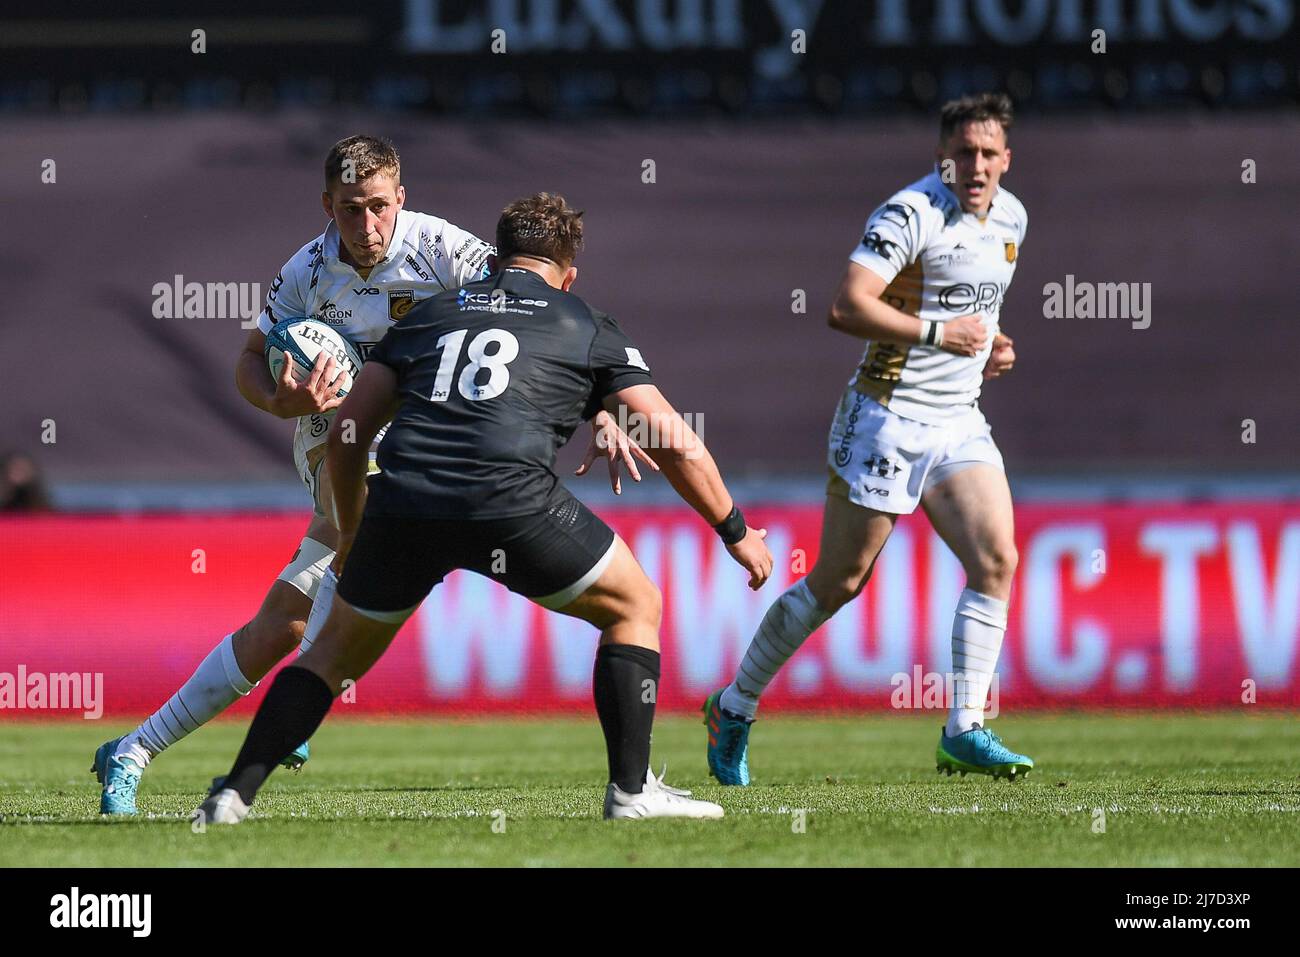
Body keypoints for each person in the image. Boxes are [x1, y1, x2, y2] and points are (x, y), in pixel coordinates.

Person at [93, 138, 648, 815]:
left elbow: (531, 319)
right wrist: (280, 400)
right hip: (335, 435)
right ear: (327, 205)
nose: (366, 226)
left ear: (401, 200)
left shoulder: (448, 252)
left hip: (420, 434)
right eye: (351, 210)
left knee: (285, 625)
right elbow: (248, 358)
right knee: (357, 517)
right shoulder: (305, 270)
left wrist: (603, 409)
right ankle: (298, 695)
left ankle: (135, 747)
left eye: (379, 207)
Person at [196, 192, 773, 824]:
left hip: (406, 500)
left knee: (329, 654)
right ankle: (632, 794)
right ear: (567, 274)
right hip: (510, 500)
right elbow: (673, 440)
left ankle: (232, 795)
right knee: (636, 606)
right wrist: (734, 529)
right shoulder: (583, 322)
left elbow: (348, 432)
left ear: (495, 258)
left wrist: (356, 528)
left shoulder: (427, 315)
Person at [704, 93, 1033, 785]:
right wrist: (945, 336)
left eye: (986, 153)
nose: (973, 165)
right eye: (962, 152)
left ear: (1007, 159)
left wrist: (989, 348)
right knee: (840, 580)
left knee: (997, 556)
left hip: (958, 420)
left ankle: (964, 728)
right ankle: (733, 707)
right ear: (941, 157)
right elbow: (846, 305)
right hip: (886, 416)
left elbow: (969, 308)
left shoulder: (1012, 218)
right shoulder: (911, 212)